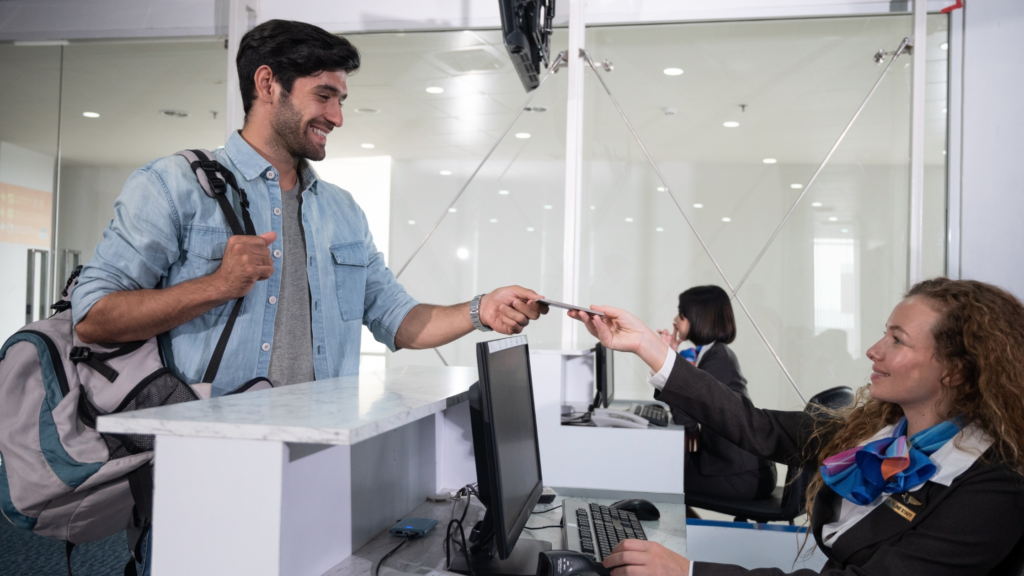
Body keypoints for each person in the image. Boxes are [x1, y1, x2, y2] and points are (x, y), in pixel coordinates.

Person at [71, 20, 548, 573]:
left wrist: (478, 309)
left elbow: (397, 318)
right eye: (324, 95)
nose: (338, 117)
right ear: (267, 83)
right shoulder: (172, 186)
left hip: (319, 474)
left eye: (341, 99)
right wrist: (217, 286)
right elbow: (93, 318)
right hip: (207, 475)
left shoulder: (342, 210)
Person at [569, 278, 1024, 575]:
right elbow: (757, 427)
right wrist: (650, 347)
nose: (873, 350)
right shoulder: (883, 432)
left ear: (956, 371)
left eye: (896, 340)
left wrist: (689, 572)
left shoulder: (994, 487)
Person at [655, 285, 777, 503]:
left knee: (659, 473)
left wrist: (667, 358)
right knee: (663, 466)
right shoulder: (714, 355)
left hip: (741, 475)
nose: (675, 319)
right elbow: (690, 421)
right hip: (735, 467)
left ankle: (670, 535)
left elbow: (685, 420)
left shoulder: (717, 359)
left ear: (699, 318)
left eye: (681, 314)